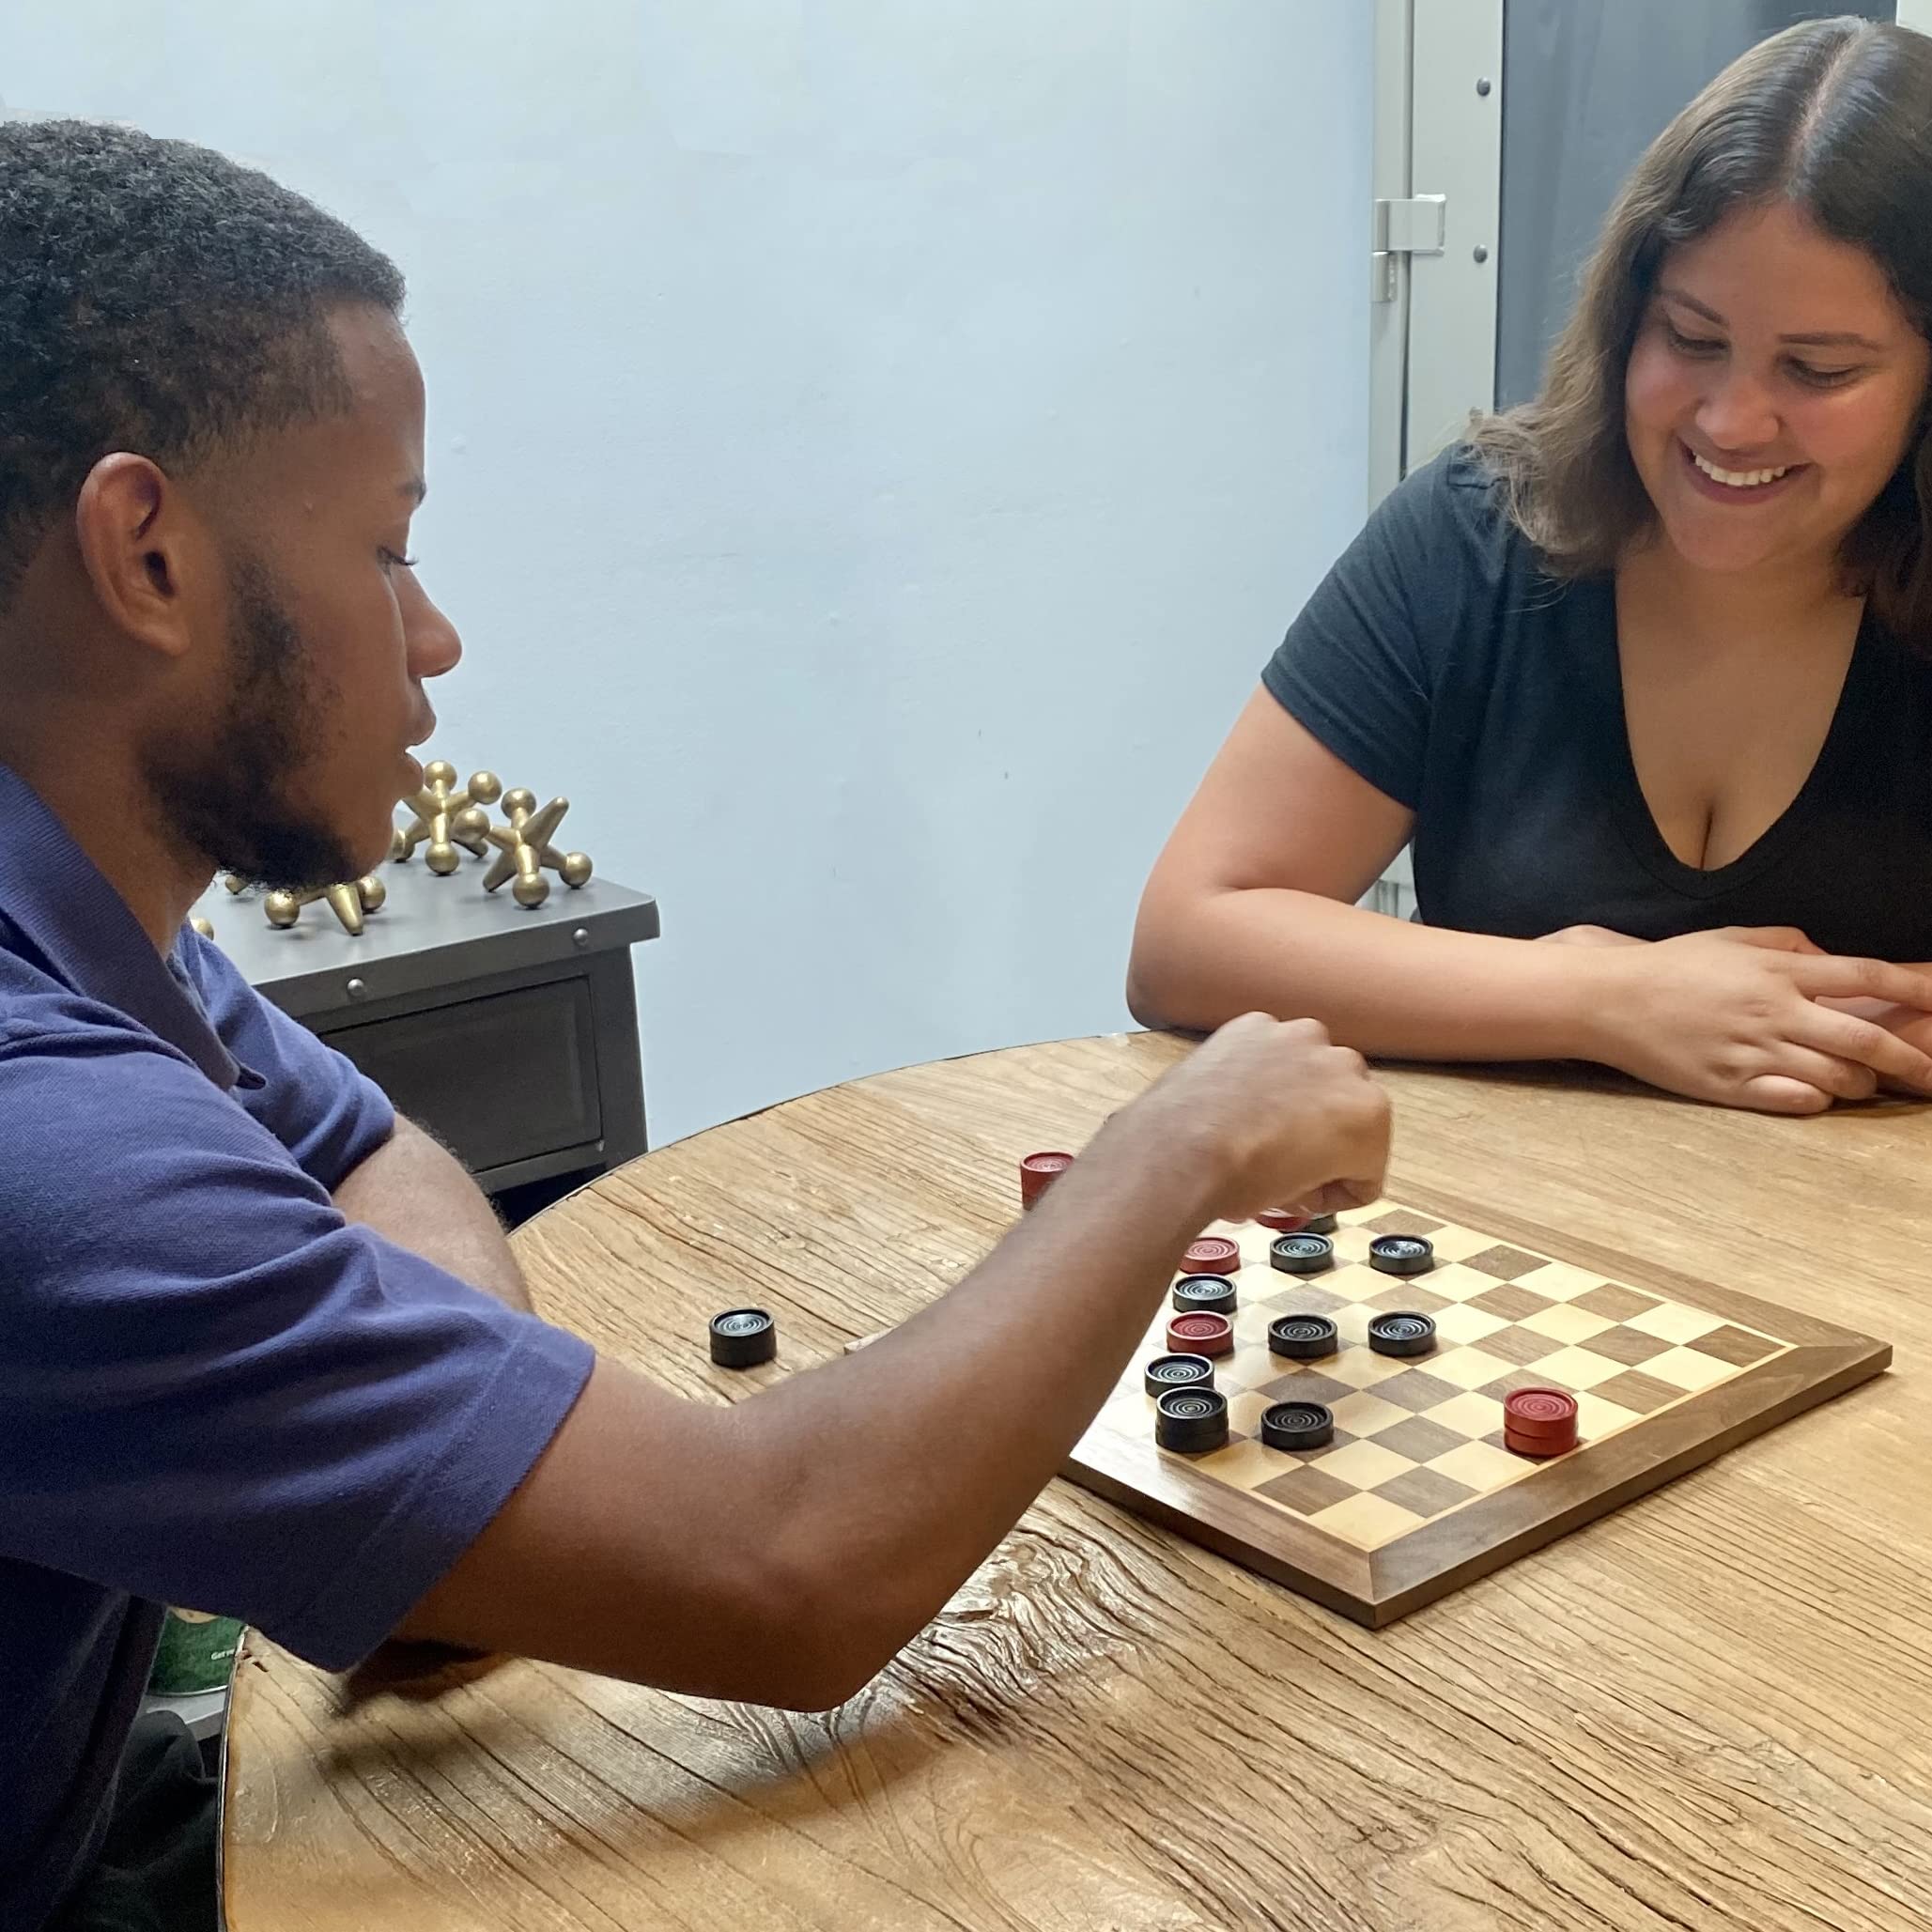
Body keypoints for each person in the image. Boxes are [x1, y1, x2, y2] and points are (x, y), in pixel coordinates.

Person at [0, 121, 1392, 1932]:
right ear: (149, 555)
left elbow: (365, 1150)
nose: (437, 639)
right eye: (386, 547)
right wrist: (1182, 1145)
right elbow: (784, 1572)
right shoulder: (54, 1149)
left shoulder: (97, 913)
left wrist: (443, 1470)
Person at [1130, 15, 1932, 1119]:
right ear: (1623, 319)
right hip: (1488, 1250)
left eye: (1817, 368)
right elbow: (1187, 937)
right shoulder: (1472, 535)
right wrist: (1608, 993)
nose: (1731, 419)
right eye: (1690, 338)